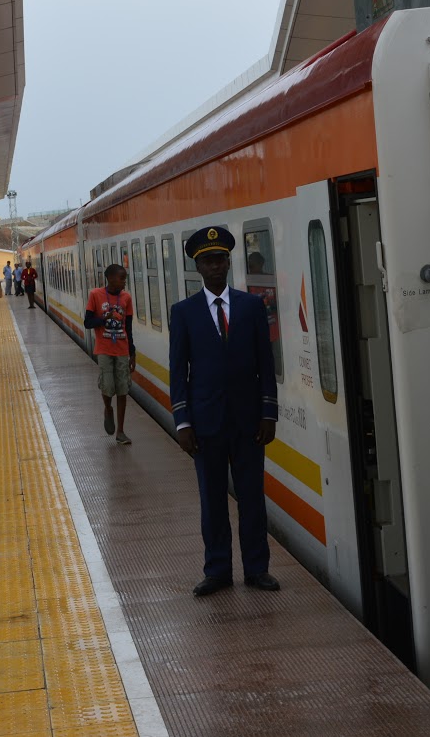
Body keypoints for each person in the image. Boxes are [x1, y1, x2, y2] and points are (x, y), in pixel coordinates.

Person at [169, 226, 280, 596]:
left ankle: (257, 569)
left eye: (220, 259)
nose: (215, 266)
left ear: (229, 262)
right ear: (197, 267)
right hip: (205, 424)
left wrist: (269, 414)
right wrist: (182, 421)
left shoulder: (251, 307)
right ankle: (217, 570)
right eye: (207, 261)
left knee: (252, 498)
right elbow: (178, 370)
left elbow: (266, 363)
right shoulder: (183, 313)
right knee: (212, 500)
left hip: (249, 423)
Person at [85, 263, 136, 445]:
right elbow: (87, 322)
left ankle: (121, 431)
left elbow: (128, 328)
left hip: (122, 349)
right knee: (108, 387)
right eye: (122, 278)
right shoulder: (95, 295)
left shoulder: (126, 298)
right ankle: (108, 408)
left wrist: (132, 353)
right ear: (111, 278)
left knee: (123, 389)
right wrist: (105, 318)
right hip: (104, 349)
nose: (124, 282)